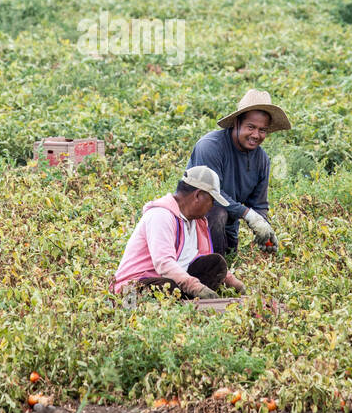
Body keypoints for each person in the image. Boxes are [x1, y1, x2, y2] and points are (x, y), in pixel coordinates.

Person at [112, 166, 245, 299]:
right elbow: (163, 263)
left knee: (215, 264)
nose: (212, 206)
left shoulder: (196, 221)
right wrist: (195, 287)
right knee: (170, 287)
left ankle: (188, 302)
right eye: (212, 200)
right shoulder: (161, 215)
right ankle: (185, 303)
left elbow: (204, 255)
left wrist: (237, 285)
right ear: (198, 195)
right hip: (133, 288)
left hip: (169, 281)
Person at [187, 89, 290, 257]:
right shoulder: (210, 147)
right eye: (251, 127)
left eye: (262, 130)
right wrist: (247, 214)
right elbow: (211, 194)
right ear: (236, 123)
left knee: (229, 259)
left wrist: (265, 230)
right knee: (216, 212)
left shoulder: (262, 159)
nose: (256, 135)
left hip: (227, 229)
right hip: (193, 227)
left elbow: (259, 204)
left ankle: (221, 267)